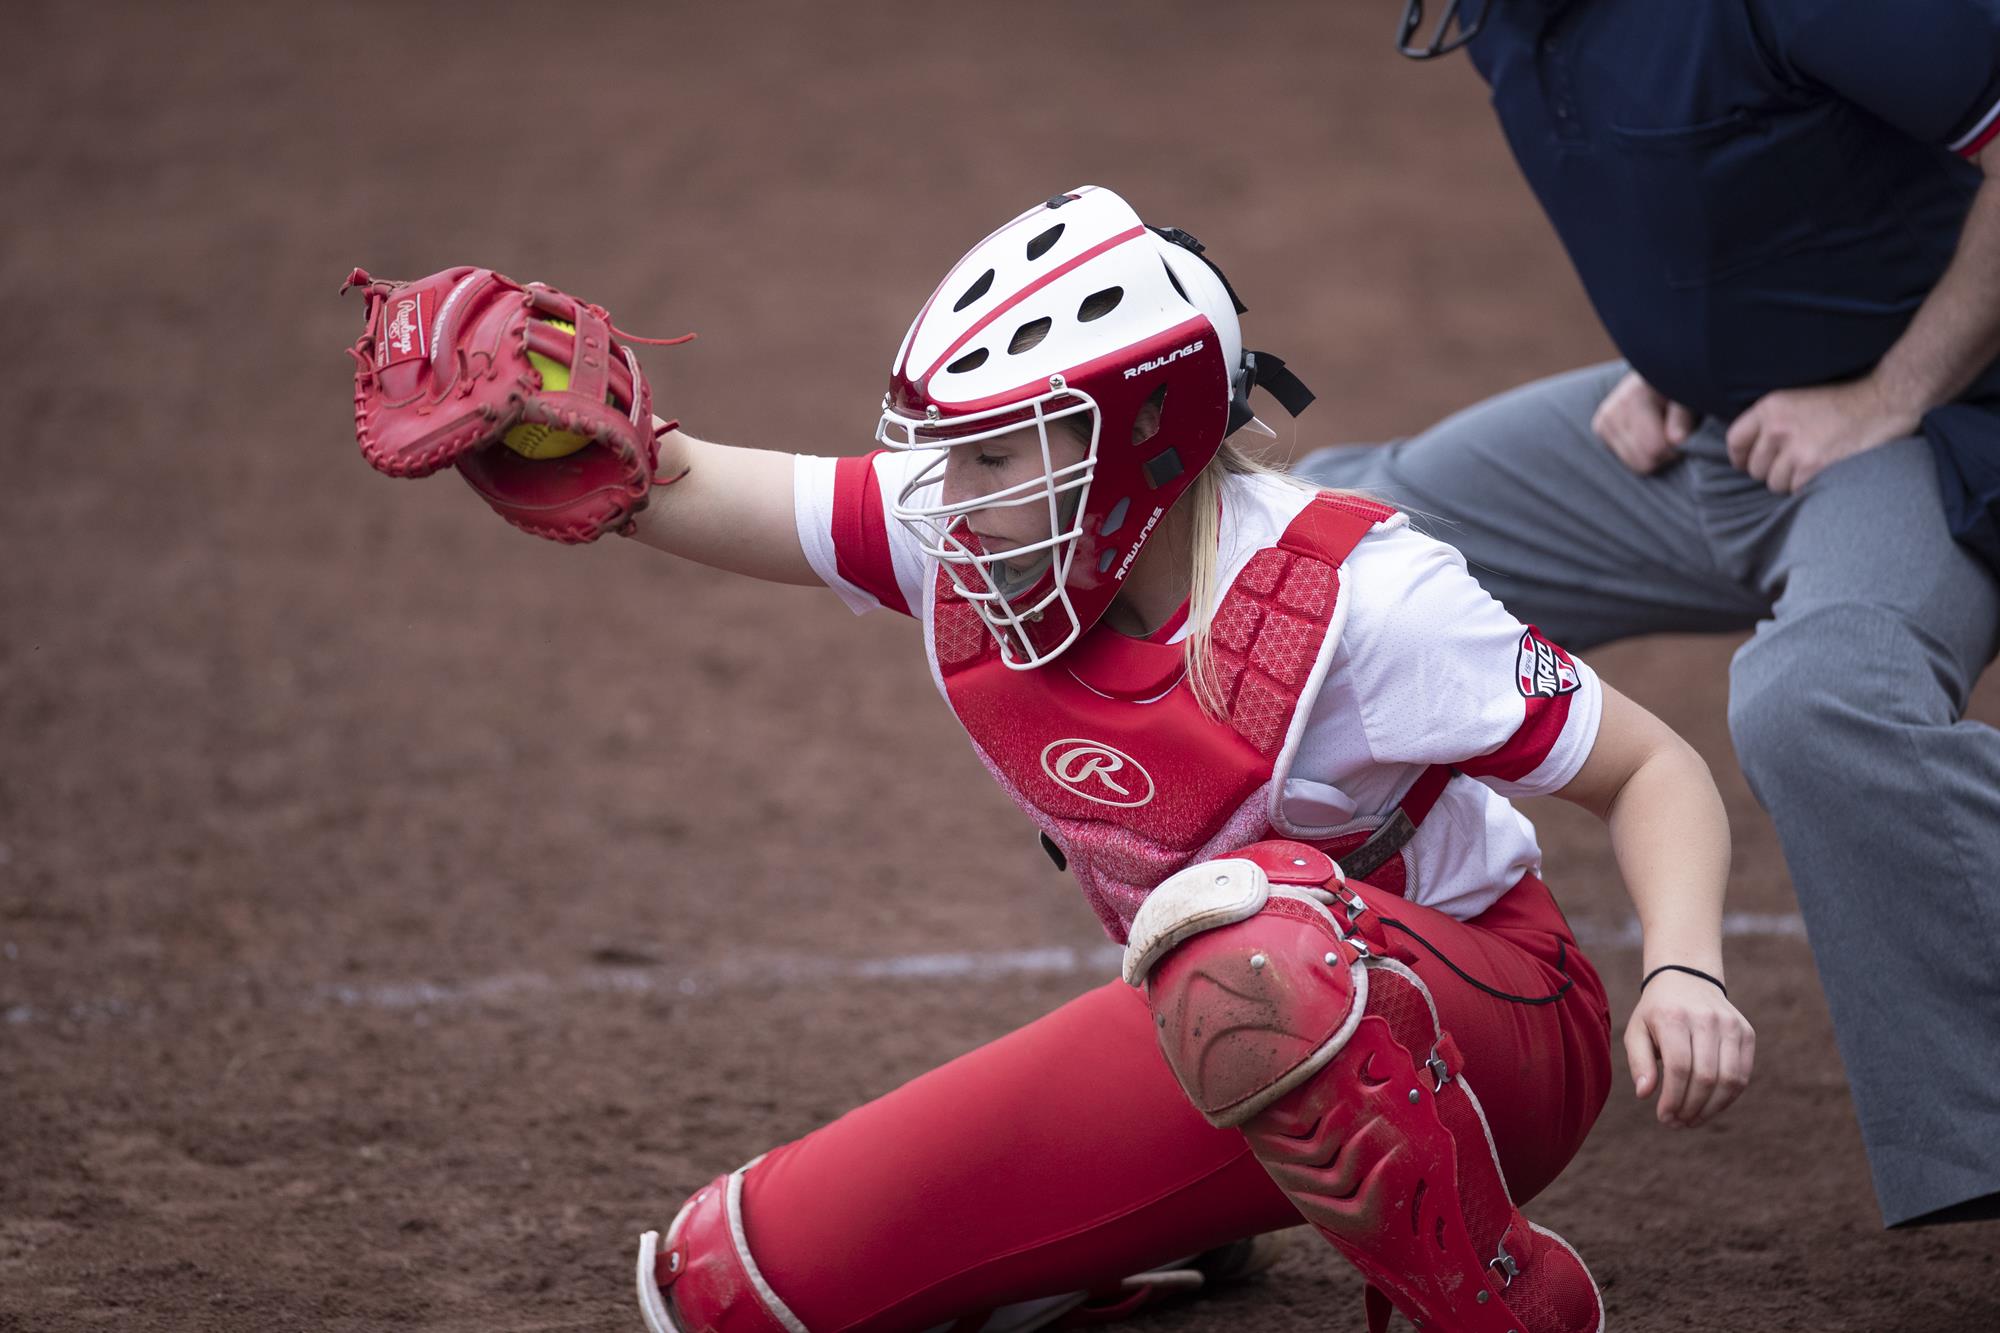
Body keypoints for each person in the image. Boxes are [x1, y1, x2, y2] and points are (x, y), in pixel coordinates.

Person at [345, 186, 1753, 1333]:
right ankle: (1164, 1236)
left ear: (1144, 432)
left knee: (1244, 949)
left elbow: (1655, 769)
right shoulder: (992, 525)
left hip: (1498, 1031)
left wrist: (1685, 967)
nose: (947, 496)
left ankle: (1511, 1302)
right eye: (951, 455)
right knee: (731, 1285)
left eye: (997, 456)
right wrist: (536, 409)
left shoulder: (1364, 599)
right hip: (1248, 1020)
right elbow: (679, 480)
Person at [1297, 0, 2000, 1228]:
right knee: (1310, 550)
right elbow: (1706, 184)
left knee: (1819, 700)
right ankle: (1252, 1070)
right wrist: (1683, 348)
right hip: (1713, 428)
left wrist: (1891, 388)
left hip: (1929, 431)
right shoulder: (1501, 14)